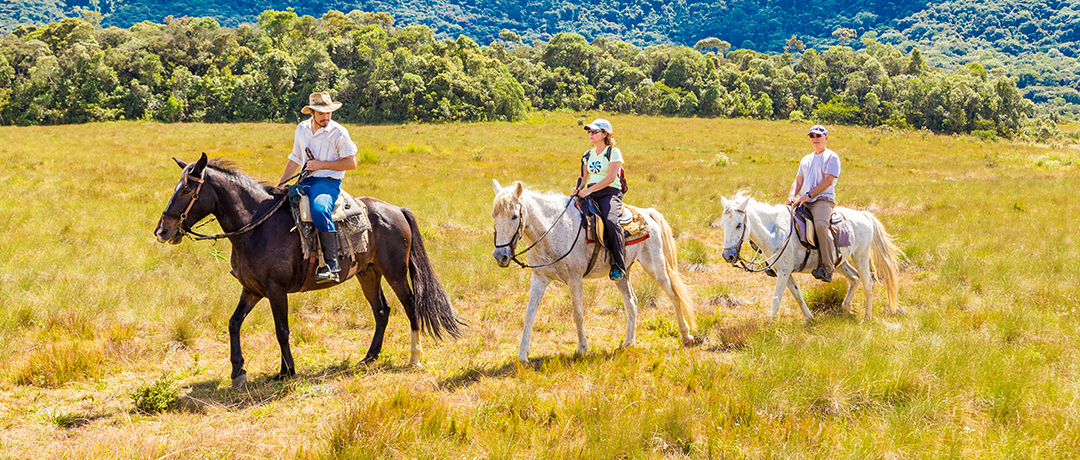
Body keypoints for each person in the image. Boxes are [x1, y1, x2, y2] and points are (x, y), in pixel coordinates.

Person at [279, 91, 358, 283]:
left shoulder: (338, 132)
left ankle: (332, 266)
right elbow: (296, 158)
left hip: (327, 182)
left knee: (319, 209)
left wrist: (321, 164)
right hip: (305, 181)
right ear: (311, 113)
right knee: (276, 205)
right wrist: (280, 185)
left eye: (329, 112)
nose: (326, 117)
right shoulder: (301, 129)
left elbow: (351, 163)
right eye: (322, 113)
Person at [571, 118, 629, 281]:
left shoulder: (613, 152)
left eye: (594, 131)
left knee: (610, 222)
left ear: (604, 134)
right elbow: (583, 178)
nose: (590, 134)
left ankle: (618, 264)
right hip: (590, 192)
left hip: (610, 193)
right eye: (589, 131)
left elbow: (611, 177)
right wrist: (578, 189)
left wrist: (588, 190)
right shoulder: (587, 155)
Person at [786, 124, 841, 283]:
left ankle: (827, 268)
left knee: (820, 226)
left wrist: (808, 195)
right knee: (783, 219)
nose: (815, 139)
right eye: (812, 136)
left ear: (826, 138)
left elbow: (828, 181)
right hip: (804, 199)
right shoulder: (806, 159)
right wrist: (791, 195)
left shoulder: (831, 157)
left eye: (818, 136)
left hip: (822, 200)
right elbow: (798, 180)